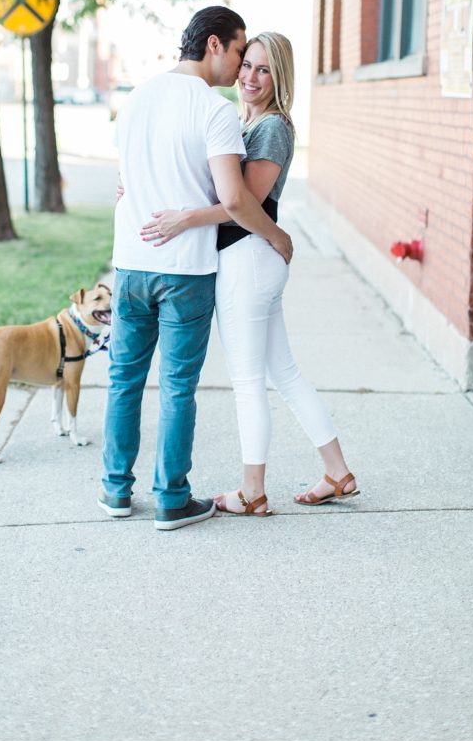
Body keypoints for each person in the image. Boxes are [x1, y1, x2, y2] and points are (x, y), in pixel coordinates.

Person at [140, 32, 359, 516]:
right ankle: (338, 472)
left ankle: (252, 491)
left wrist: (186, 218)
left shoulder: (272, 128)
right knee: (283, 372)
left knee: (247, 381)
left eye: (263, 70)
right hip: (253, 261)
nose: (250, 77)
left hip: (249, 261)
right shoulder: (247, 122)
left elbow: (244, 205)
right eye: (247, 66)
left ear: (279, 77)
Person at [99, 7, 293, 532]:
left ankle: (115, 492)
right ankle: (171, 499)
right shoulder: (215, 110)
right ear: (214, 44)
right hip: (185, 269)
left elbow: (126, 180)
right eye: (237, 51)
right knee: (178, 386)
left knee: (123, 380)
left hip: (130, 263)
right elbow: (234, 197)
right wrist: (276, 235)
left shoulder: (136, 98)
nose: (239, 67)